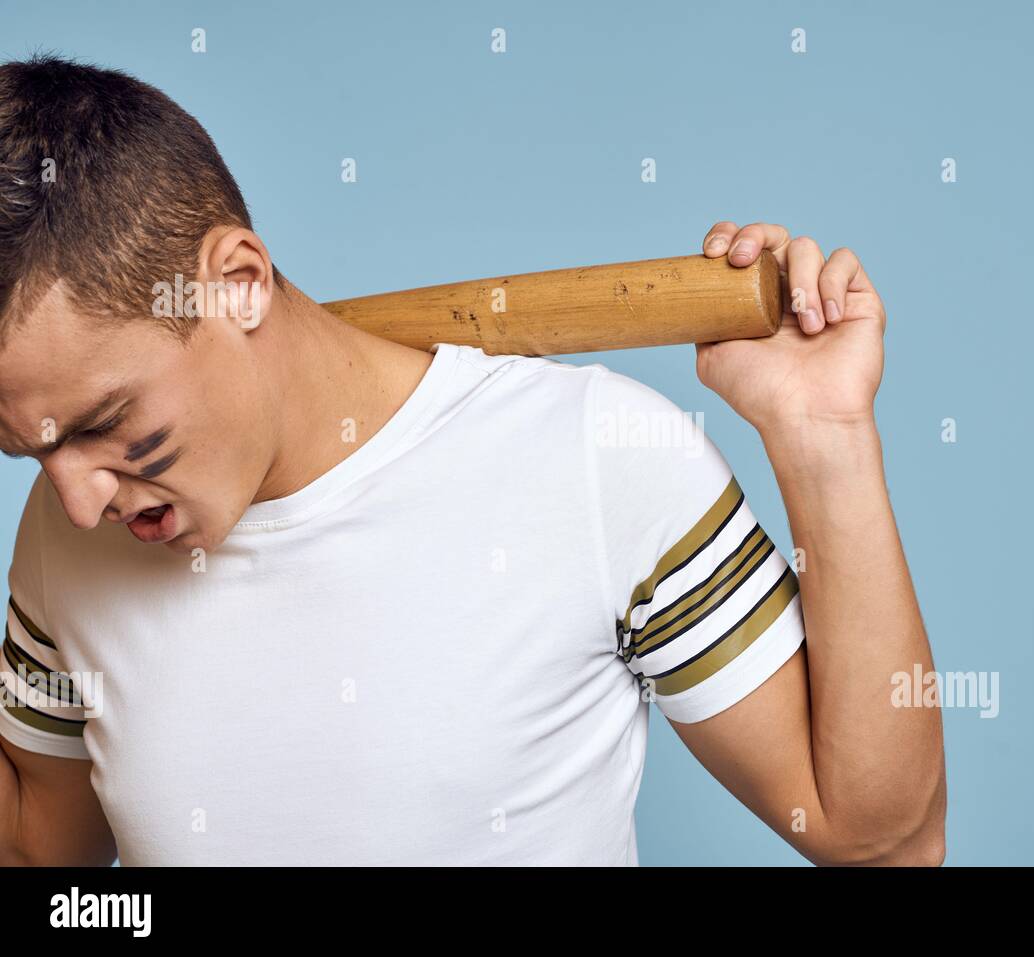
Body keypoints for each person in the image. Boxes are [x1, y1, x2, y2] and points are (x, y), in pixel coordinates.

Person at [0, 54, 945, 866]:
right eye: (30, 449)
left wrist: (824, 434)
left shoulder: (595, 460)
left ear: (238, 285)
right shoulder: (69, 529)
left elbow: (885, 842)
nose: (76, 500)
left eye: (107, 422)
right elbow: (45, 852)